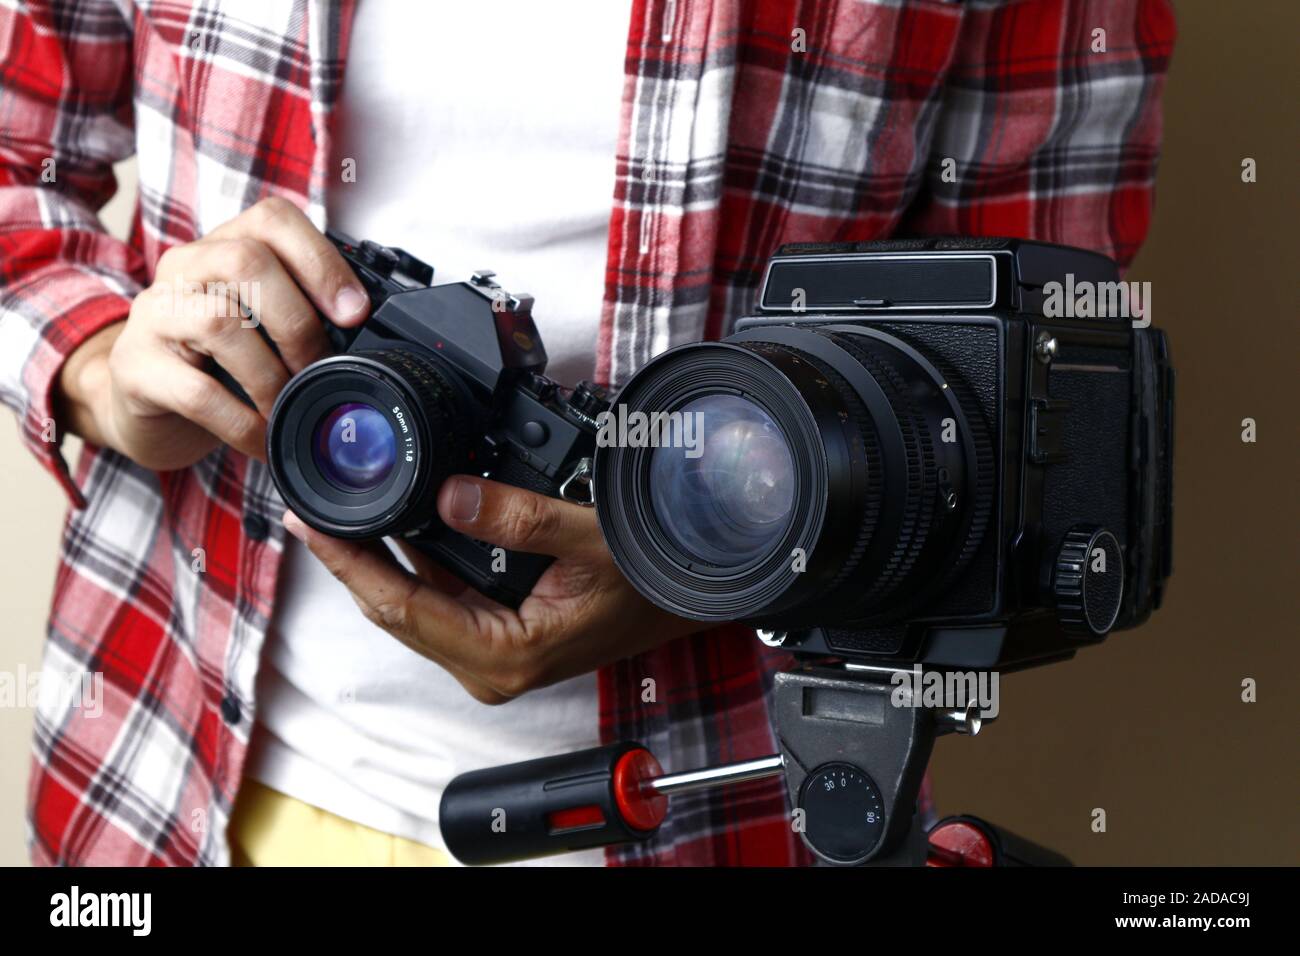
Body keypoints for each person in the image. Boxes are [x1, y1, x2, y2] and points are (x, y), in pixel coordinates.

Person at [0, 0, 1175, 866]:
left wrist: (701, 571)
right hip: (162, 781)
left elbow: (1033, 399)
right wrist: (103, 370)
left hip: (717, 807)